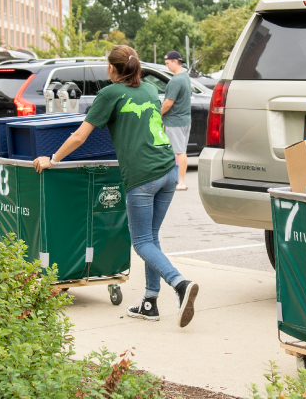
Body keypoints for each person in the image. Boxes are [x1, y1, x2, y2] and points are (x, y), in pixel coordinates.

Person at [32, 45, 200, 328]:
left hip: (143, 177)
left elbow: (79, 136)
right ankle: (149, 302)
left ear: (112, 68)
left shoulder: (109, 93)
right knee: (152, 238)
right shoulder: (147, 89)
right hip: (168, 170)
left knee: (142, 242)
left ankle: (180, 284)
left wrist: (53, 159)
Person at [160, 51, 193, 191]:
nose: (167, 66)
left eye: (167, 63)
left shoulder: (176, 80)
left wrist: (158, 114)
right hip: (185, 119)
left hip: (175, 121)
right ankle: (176, 180)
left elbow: (168, 102)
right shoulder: (185, 77)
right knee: (180, 150)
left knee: (179, 151)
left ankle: (181, 182)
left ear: (174, 61)